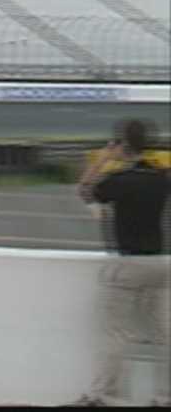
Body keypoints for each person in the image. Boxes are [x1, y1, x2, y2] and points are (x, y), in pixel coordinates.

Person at [73, 119, 170, 406]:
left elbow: (84, 190)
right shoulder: (161, 177)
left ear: (122, 145)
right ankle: (164, 396)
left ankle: (102, 395)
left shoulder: (118, 180)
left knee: (116, 333)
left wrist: (104, 159)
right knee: (160, 334)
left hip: (128, 264)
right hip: (160, 263)